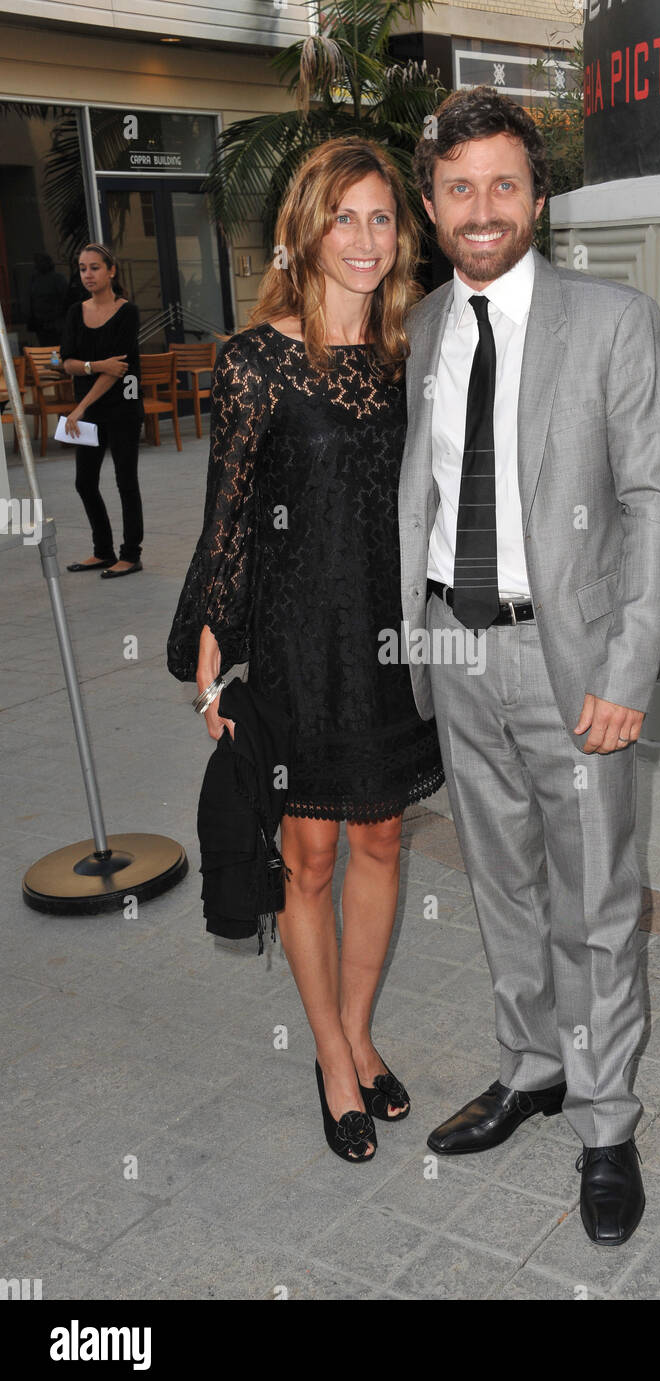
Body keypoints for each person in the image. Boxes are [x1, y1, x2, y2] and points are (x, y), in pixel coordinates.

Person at [399, 87, 660, 1244]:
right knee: (500, 881)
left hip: (572, 663)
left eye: (503, 185)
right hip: (452, 645)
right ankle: (532, 1069)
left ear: (536, 197)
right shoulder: (420, 326)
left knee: (599, 903)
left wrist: (626, 669)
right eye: (459, 188)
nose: (483, 208)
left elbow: (658, 505)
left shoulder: (612, 320)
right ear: (433, 206)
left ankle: (606, 1121)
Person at [166, 138, 444, 1164]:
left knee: (380, 840)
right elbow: (228, 520)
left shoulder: (412, 351)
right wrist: (210, 661)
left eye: (381, 218)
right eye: (345, 218)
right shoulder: (253, 362)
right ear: (307, 230)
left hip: (386, 639)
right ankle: (331, 1054)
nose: (365, 239)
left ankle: (361, 1028)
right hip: (292, 643)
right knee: (313, 854)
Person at [60, 243, 144, 577]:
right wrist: (95, 364)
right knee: (84, 482)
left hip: (122, 407)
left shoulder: (128, 312)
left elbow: (118, 370)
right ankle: (103, 550)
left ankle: (130, 554)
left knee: (126, 482)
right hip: (90, 413)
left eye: (95, 267)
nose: (88, 274)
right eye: (82, 268)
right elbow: (67, 363)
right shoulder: (74, 313)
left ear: (111, 271)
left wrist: (80, 405)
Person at [27, 253, 68, 345]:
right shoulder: (34, 279)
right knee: (45, 347)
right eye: (37, 262)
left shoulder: (58, 278)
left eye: (40, 262)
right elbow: (31, 300)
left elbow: (65, 299)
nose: (38, 265)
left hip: (55, 322)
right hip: (40, 322)